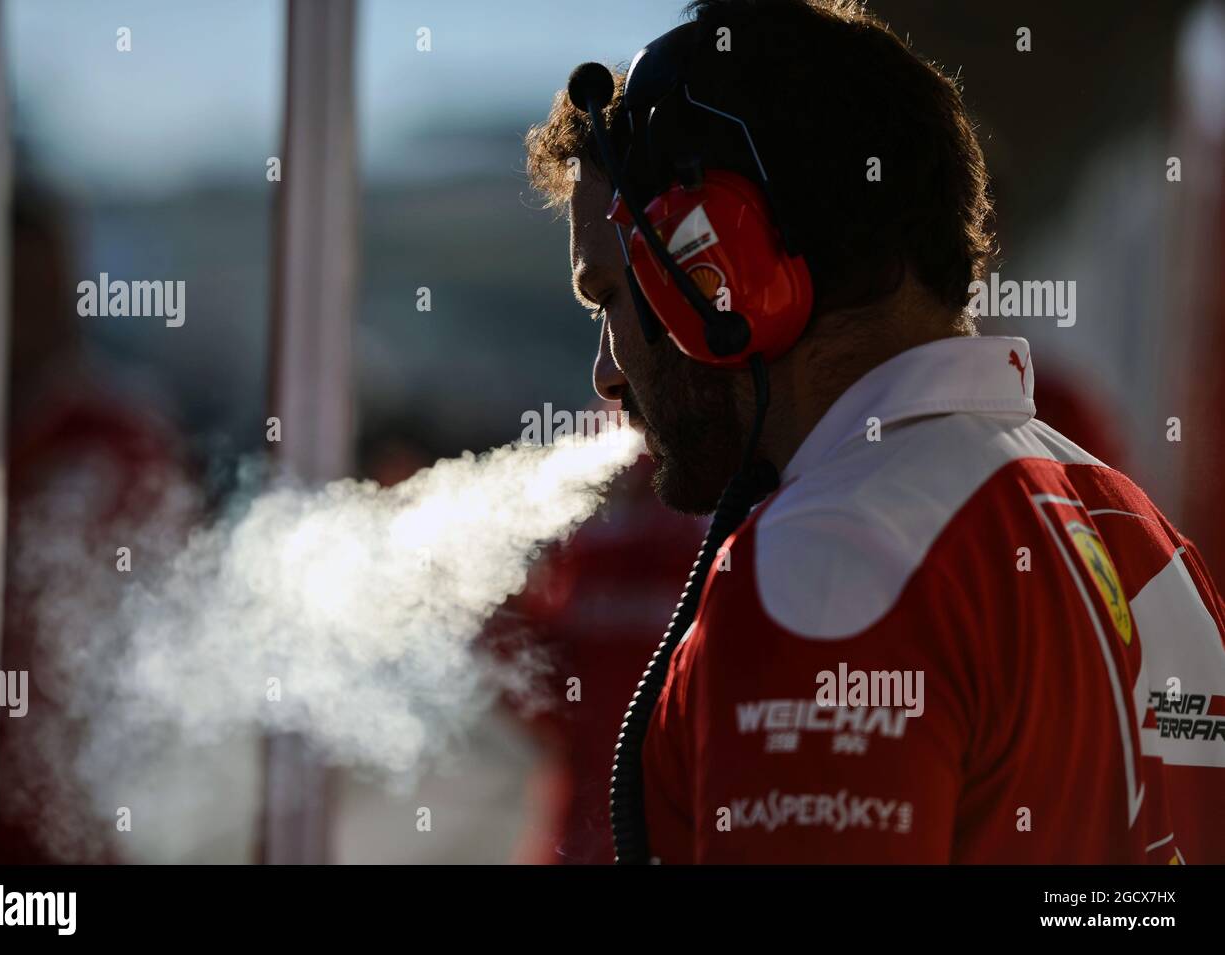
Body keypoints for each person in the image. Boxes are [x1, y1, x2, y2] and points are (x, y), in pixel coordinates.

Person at [524, 0, 1225, 862]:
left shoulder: (827, 559)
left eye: (610, 300)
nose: (606, 370)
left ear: (720, 271)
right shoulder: (1147, 541)